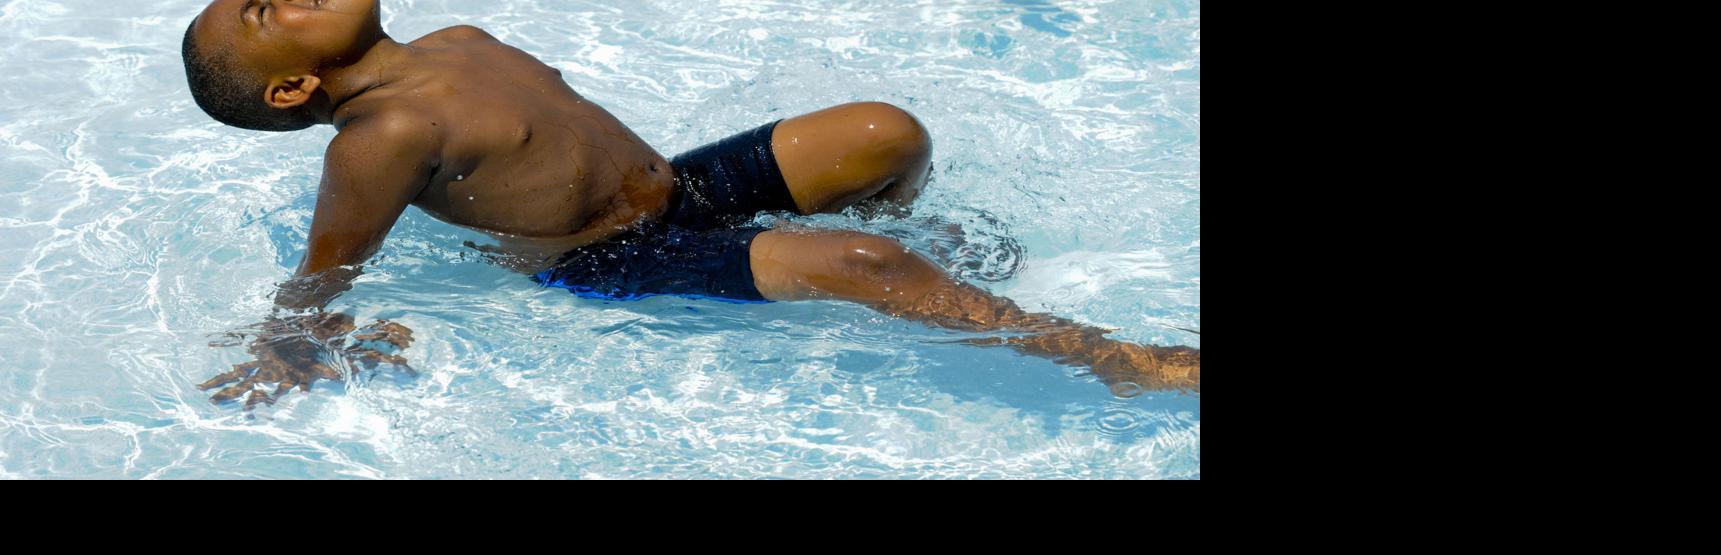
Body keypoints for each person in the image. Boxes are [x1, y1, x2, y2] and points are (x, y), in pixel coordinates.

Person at [184, 0, 1199, 408]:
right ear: (290, 90)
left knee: (886, 132)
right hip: (609, 255)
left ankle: (933, 284)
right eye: (265, 13)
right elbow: (332, 259)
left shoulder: (451, 43)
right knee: (861, 269)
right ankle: (1107, 361)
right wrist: (294, 340)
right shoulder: (381, 139)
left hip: (676, 188)